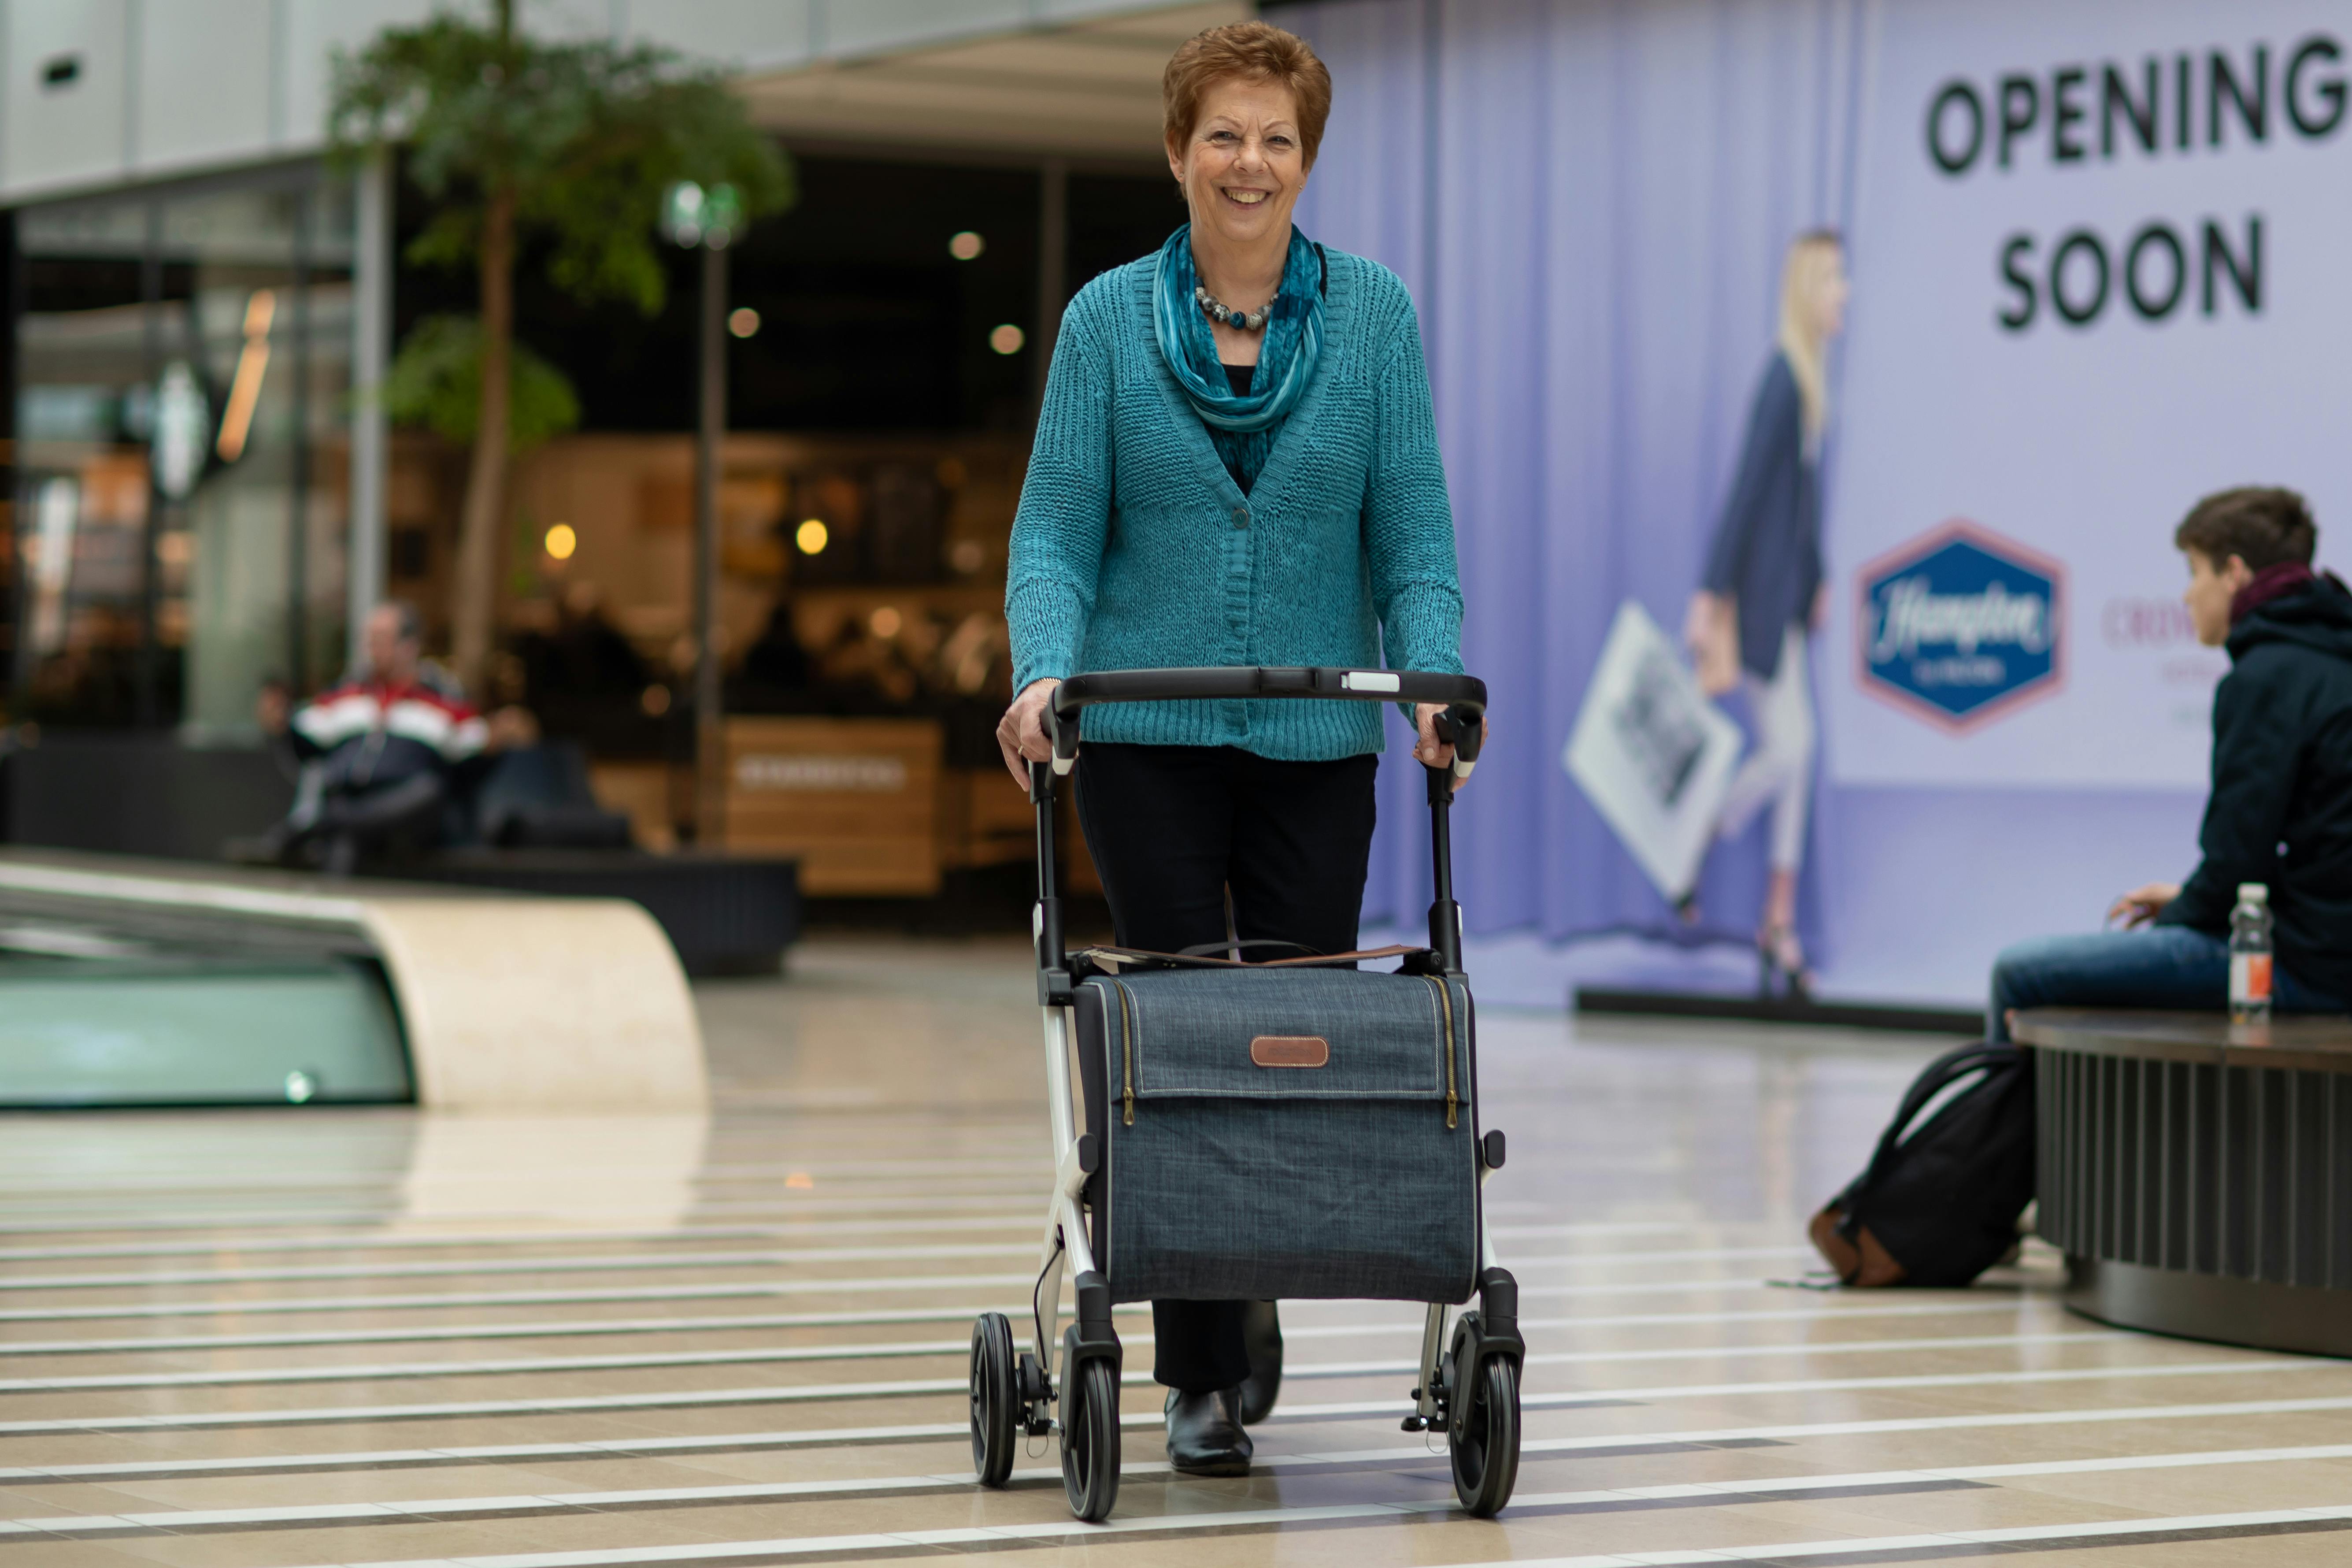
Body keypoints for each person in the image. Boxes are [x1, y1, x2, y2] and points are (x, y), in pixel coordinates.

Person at [995, 20, 1470, 1480]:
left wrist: (1436, 679)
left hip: (1316, 737)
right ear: (1174, 153)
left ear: (1303, 161)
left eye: (1275, 139)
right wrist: (1039, 672)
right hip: (1141, 730)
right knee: (1184, 1031)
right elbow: (1057, 529)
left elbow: (1411, 528)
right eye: (1223, 135)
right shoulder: (1099, 325)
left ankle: (1242, 1277)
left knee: (1293, 1032)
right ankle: (1198, 1367)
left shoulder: (1374, 321)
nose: (1248, 162)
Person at [1988, 487, 2352, 1038]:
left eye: (2193, 572)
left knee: (2017, 973)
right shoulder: (2332, 658)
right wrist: (2190, 898)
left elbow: (2236, 863)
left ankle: (2009, 1129)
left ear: (2233, 574)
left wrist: (2184, 914)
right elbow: (2322, 850)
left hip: (2305, 970)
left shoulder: (2264, 678)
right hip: (2329, 952)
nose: (2185, 596)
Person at [1684, 230, 1849, 995]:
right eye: (1835, 280)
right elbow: (1747, 493)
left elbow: (1799, 507)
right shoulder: (1782, 379)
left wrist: (1813, 577)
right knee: (1789, 754)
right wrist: (1709, 596)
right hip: (1755, 601)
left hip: (1783, 601)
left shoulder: (1810, 381)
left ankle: (1775, 919)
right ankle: (1701, 829)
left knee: (1799, 753)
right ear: (1808, 288)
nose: (1844, 294)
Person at [258, 601, 489, 874]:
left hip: (406, 810)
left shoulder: (442, 698)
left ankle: (325, 824)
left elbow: (473, 751)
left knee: (429, 791)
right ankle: (341, 824)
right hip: (350, 798)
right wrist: (281, 723)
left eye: (381, 640)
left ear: (409, 646)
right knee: (349, 837)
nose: (372, 649)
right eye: (369, 640)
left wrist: (502, 734)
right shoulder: (346, 693)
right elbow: (307, 742)